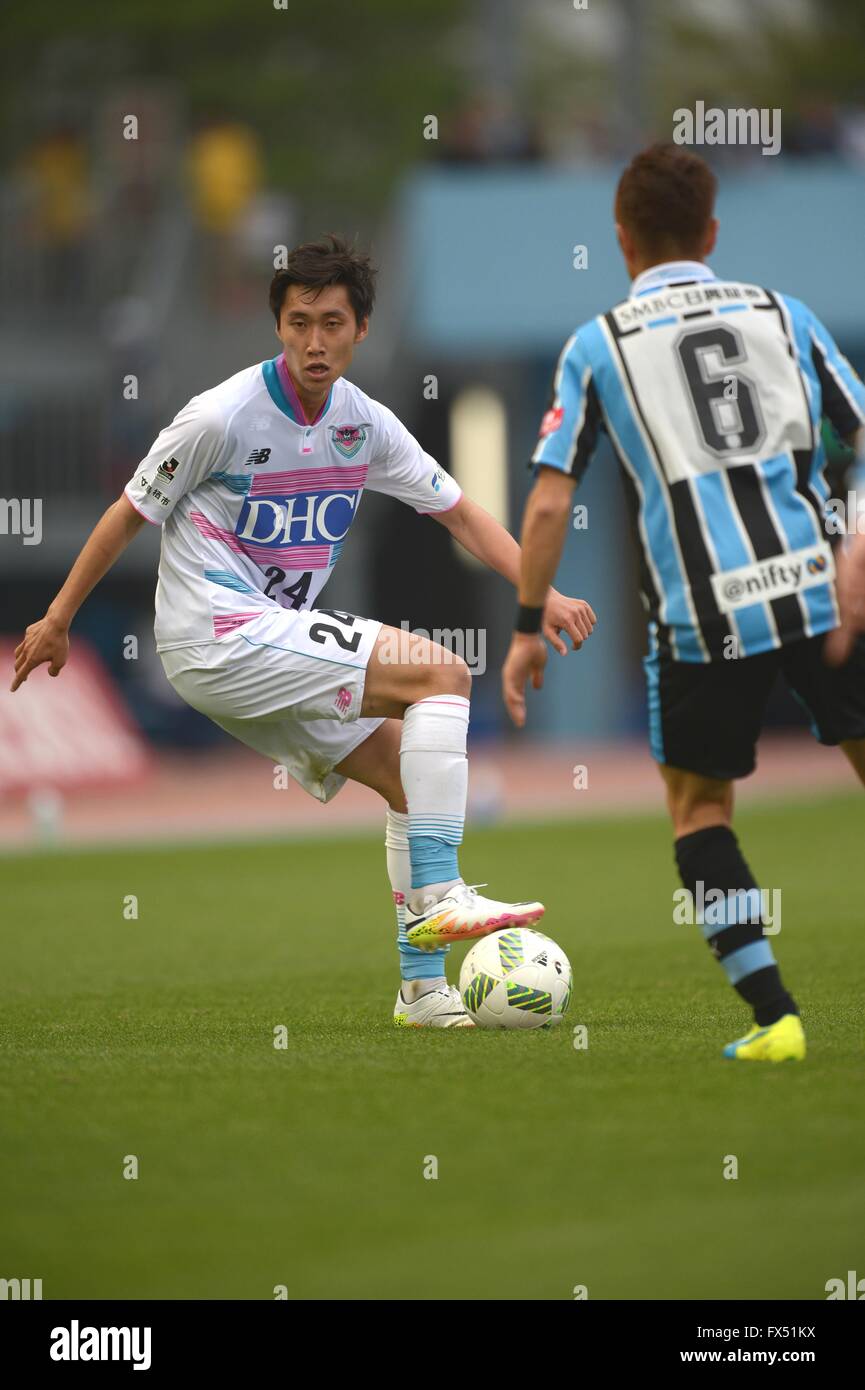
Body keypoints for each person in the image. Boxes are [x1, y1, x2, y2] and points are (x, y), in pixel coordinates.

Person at [12, 234, 596, 1028]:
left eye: (330, 322)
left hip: (267, 640)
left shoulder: (366, 425)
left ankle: (422, 991)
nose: (313, 342)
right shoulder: (219, 417)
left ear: (361, 328)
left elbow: (456, 512)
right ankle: (443, 890)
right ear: (277, 326)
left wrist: (543, 593)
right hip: (214, 631)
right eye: (296, 323)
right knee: (443, 674)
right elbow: (128, 512)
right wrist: (57, 618)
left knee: (403, 778)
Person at [502, 144, 865, 1062]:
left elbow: (549, 500)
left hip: (704, 618)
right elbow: (858, 439)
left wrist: (522, 625)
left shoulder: (598, 345)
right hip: (824, 596)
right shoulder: (784, 314)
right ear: (711, 232)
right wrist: (856, 541)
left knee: (701, 812)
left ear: (620, 239)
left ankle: (775, 1021)